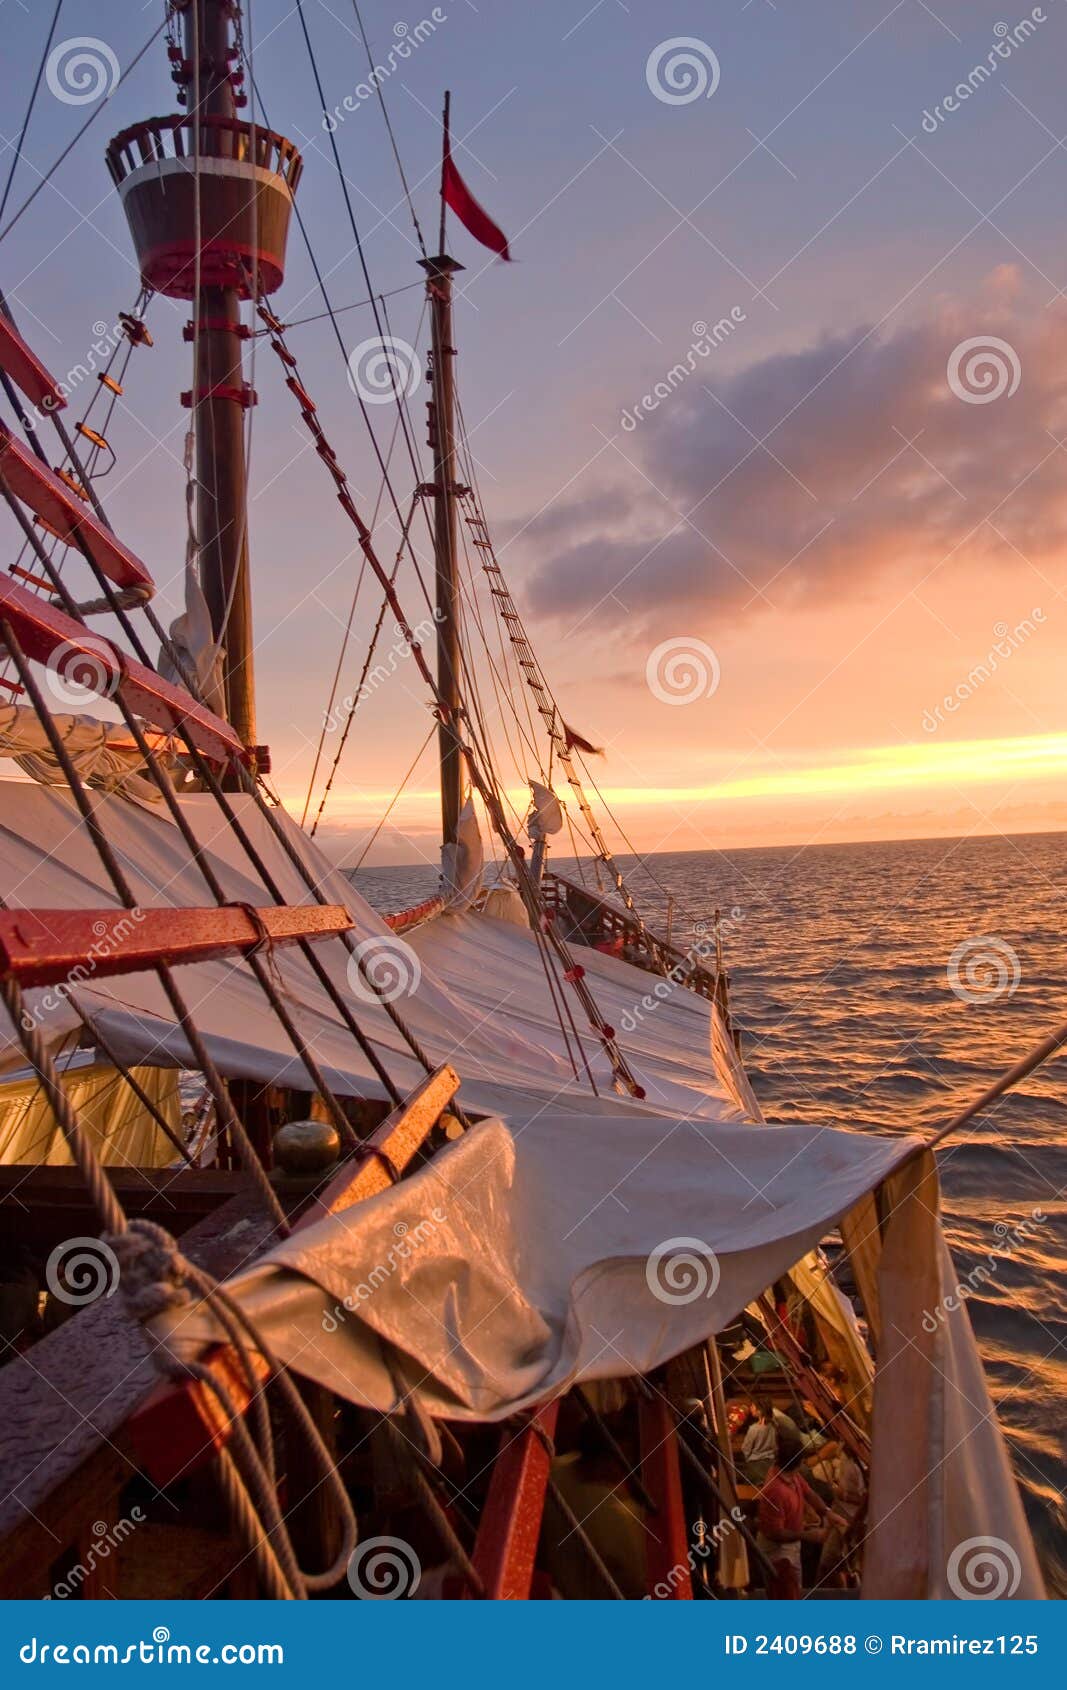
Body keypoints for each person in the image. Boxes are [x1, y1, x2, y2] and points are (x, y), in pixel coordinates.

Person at [756, 1439, 847, 1599]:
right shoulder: (775, 1491)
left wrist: (827, 1513)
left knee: (794, 1590)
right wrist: (809, 1535)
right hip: (778, 1551)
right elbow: (775, 1533)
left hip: (791, 1545)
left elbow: (808, 1492)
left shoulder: (791, 1474)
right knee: (784, 1595)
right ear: (798, 1463)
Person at [741, 1400, 777, 1485]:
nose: (751, 1408)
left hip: (755, 1465)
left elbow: (745, 1448)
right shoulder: (774, 1425)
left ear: (760, 1410)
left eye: (753, 1407)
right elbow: (776, 1446)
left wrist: (749, 1459)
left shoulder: (754, 1429)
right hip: (771, 1464)